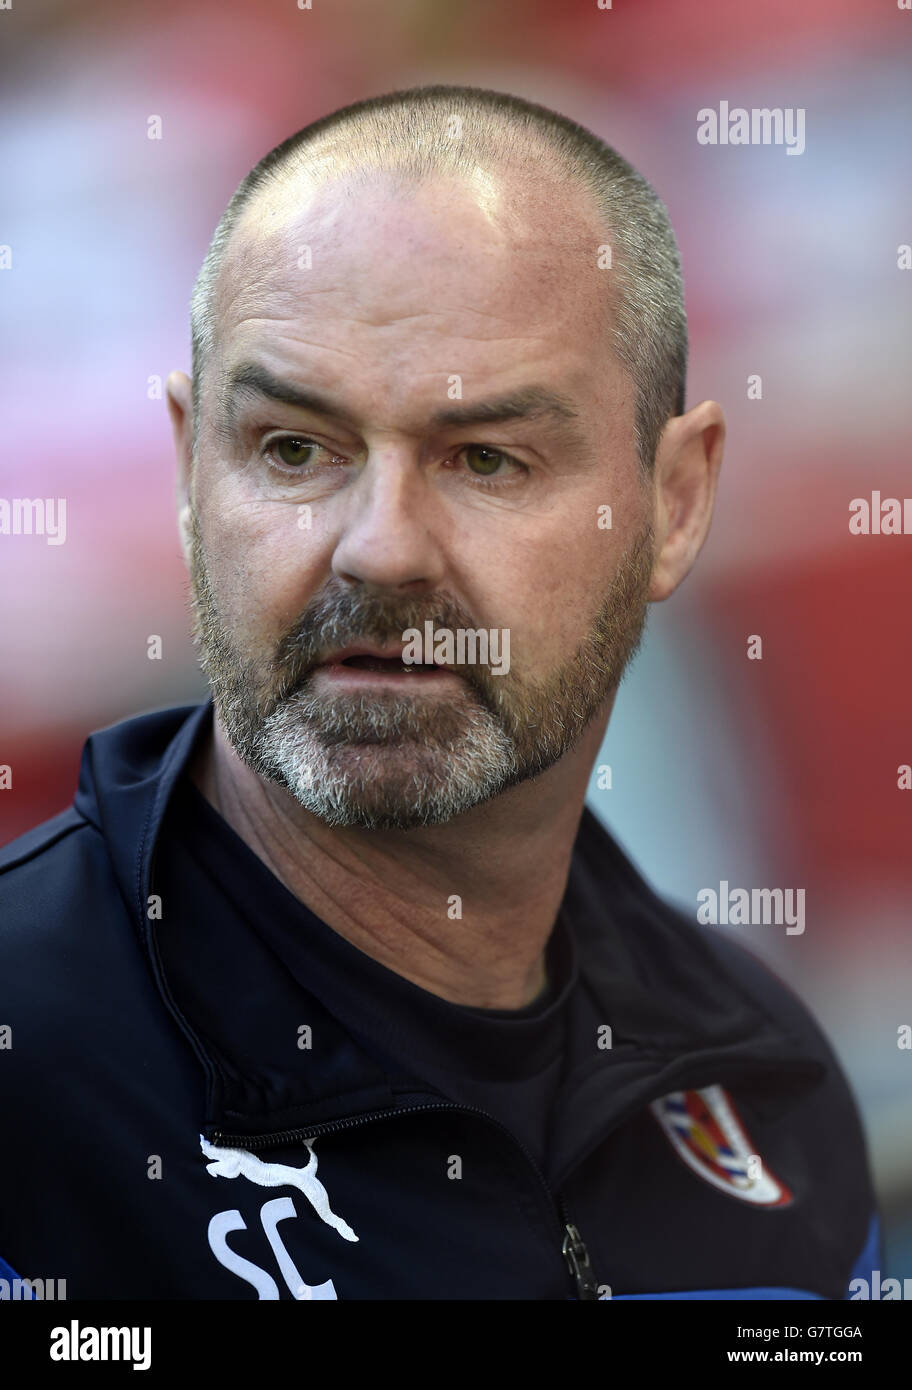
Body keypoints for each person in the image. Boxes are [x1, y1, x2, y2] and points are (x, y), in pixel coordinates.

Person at [0, 84, 880, 1300]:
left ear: (674, 504)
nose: (379, 548)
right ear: (190, 476)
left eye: (486, 459)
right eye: (294, 449)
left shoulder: (760, 1080)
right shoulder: (31, 1072)